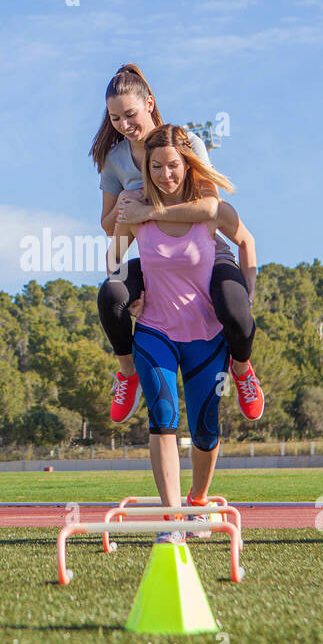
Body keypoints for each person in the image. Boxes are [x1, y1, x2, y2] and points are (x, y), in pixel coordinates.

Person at [107, 124, 257, 543]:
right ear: (146, 167)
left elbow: (246, 242)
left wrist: (247, 296)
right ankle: (172, 519)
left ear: (187, 164)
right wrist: (128, 294)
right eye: (156, 166)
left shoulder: (209, 209)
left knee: (207, 429)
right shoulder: (133, 207)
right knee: (162, 419)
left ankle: (197, 502)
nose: (165, 174)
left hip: (206, 335)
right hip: (156, 330)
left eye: (173, 165)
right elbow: (115, 260)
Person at [92, 64, 264, 425]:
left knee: (236, 312)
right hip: (155, 257)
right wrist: (127, 205)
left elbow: (208, 209)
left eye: (130, 114)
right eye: (115, 118)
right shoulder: (115, 160)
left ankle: (242, 368)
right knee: (111, 296)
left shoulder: (186, 142)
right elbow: (110, 227)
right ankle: (128, 374)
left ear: (150, 104)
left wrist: (147, 209)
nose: (123, 125)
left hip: (203, 253)